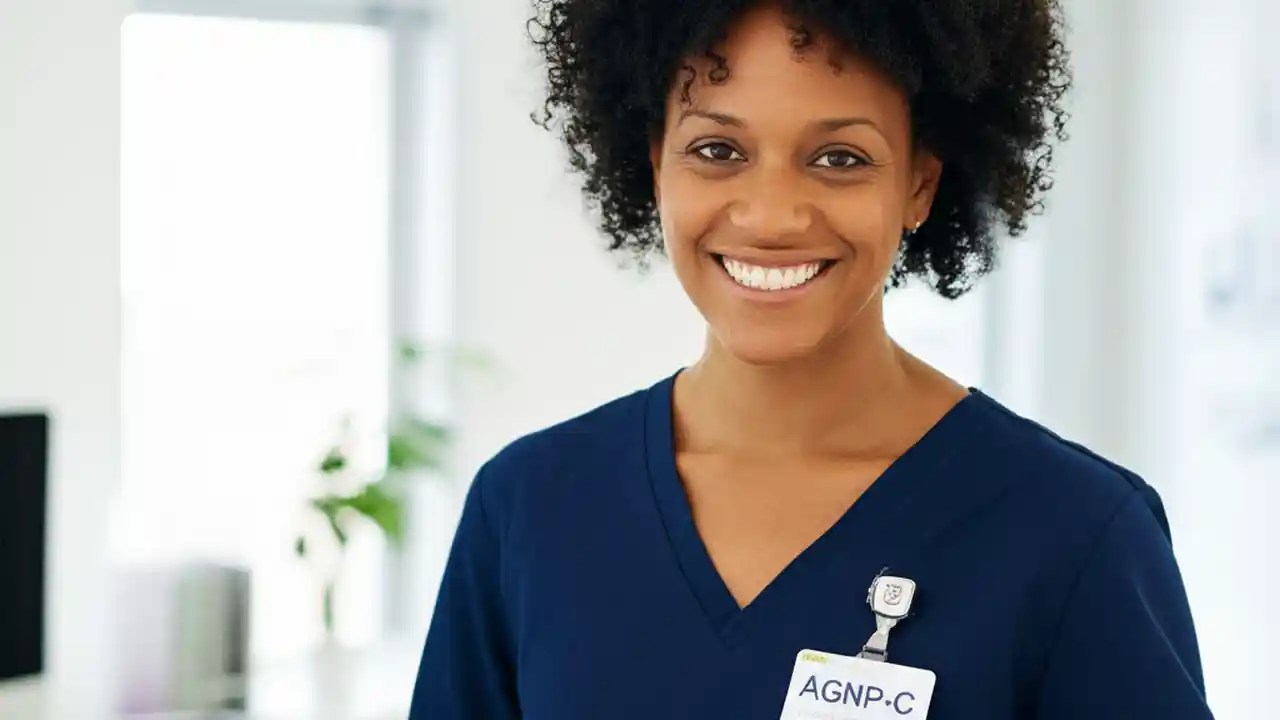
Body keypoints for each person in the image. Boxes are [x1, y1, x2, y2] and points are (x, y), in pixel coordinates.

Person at [409, 1, 1214, 717]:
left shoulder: (1074, 532)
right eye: (718, 149)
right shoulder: (529, 508)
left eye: (840, 159)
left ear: (920, 185)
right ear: (656, 164)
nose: (771, 215)